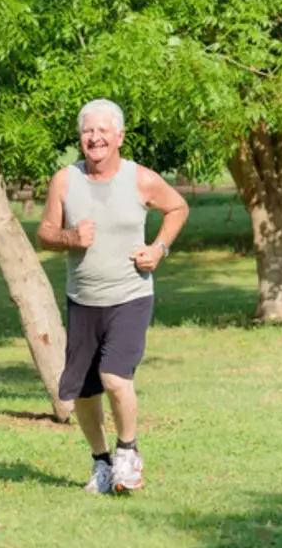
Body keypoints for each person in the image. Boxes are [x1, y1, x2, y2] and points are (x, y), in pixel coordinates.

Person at [37, 99, 189, 494]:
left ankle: (127, 452)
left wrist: (158, 249)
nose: (95, 137)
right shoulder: (64, 180)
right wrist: (70, 237)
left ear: (119, 136)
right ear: (80, 137)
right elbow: (45, 232)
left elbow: (177, 207)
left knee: (114, 378)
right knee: (84, 391)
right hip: (83, 299)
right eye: (88, 130)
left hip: (130, 295)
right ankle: (101, 462)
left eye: (104, 130)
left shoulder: (140, 179)